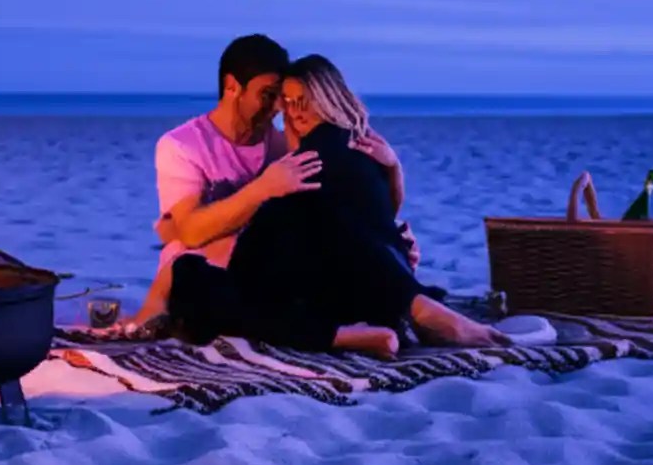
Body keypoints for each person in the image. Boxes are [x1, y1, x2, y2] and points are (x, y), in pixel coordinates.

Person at [166, 54, 511, 357]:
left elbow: (253, 254)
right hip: (356, 290)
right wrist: (394, 173)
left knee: (188, 276)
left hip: (305, 293)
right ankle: (411, 306)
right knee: (312, 226)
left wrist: (264, 192)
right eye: (288, 101)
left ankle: (342, 336)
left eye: (305, 100)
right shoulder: (357, 150)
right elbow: (376, 218)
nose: (296, 110)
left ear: (329, 98)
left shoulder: (315, 157)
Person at [131, 35, 410, 326]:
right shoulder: (182, 146)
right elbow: (188, 233)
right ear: (231, 87)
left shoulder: (283, 144)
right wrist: (261, 190)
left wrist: (391, 174)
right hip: (206, 275)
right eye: (267, 94)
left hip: (274, 268)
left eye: (280, 97)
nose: (277, 107)